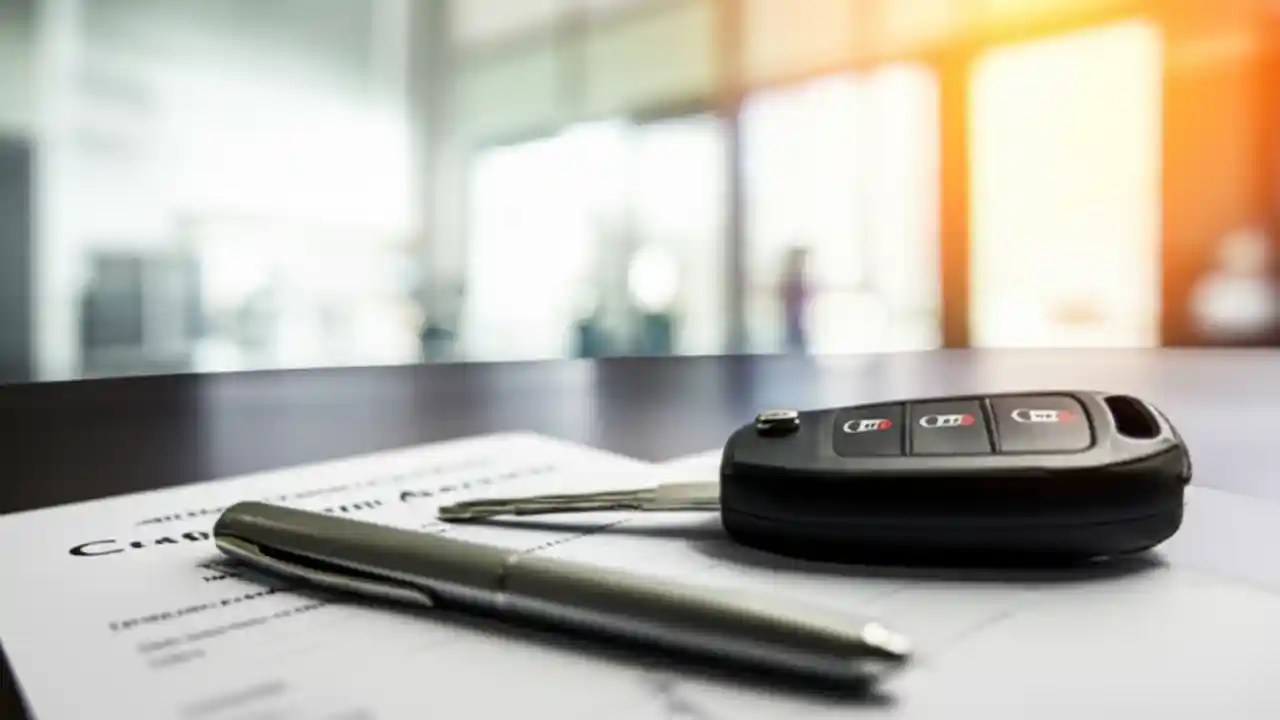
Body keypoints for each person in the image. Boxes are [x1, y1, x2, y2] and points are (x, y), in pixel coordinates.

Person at [780, 246, 811, 354]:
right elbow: (785, 292)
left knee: (797, 331)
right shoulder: (792, 275)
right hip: (793, 311)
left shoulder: (799, 274)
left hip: (798, 311)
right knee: (794, 332)